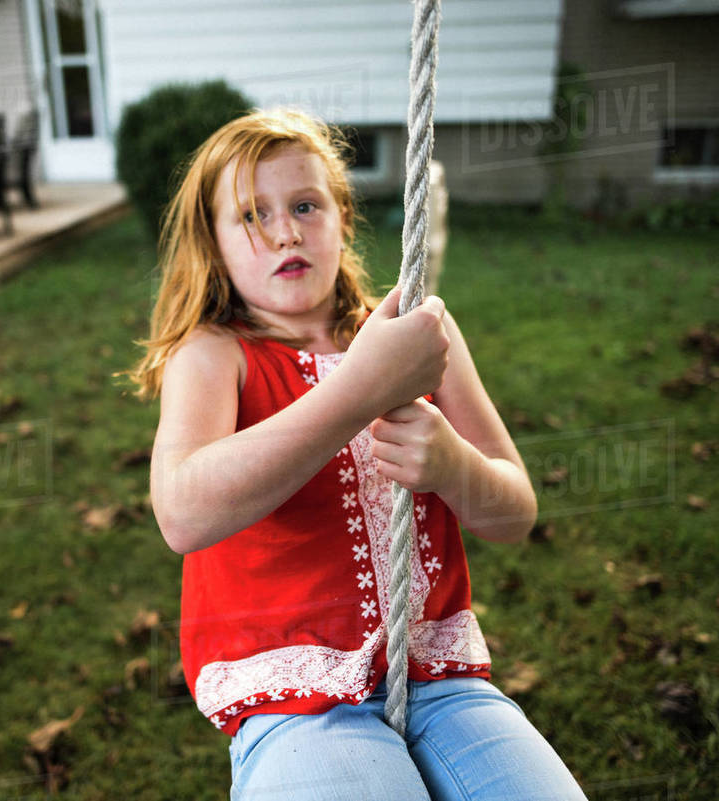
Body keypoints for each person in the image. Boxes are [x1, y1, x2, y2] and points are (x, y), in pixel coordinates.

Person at [129, 108, 586, 800]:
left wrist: (454, 467)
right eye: (252, 216)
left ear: (343, 215)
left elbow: (514, 510)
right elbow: (183, 514)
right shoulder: (215, 356)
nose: (285, 230)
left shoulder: (419, 332)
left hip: (441, 683)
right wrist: (358, 390)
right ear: (214, 244)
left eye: (306, 204)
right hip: (293, 701)